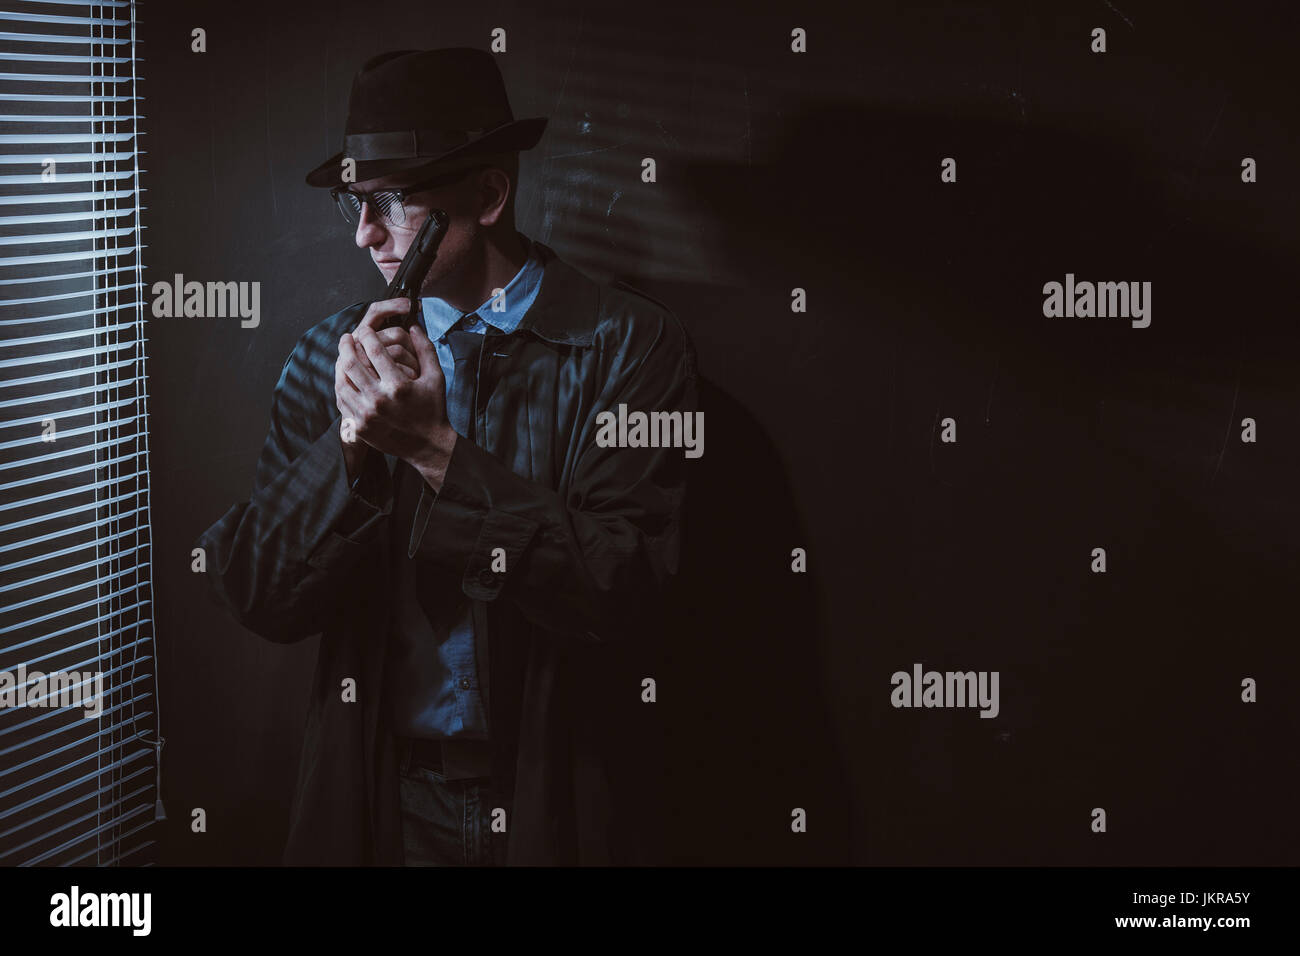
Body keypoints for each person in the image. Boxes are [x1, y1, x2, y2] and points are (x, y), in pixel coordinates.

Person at [196, 47, 697, 865]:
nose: (366, 236)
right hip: (385, 799)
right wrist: (355, 443)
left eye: (393, 202)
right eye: (355, 205)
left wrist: (434, 451)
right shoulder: (335, 356)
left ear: (489, 194)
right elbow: (260, 593)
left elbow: (625, 587)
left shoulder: (623, 346)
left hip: (559, 795)